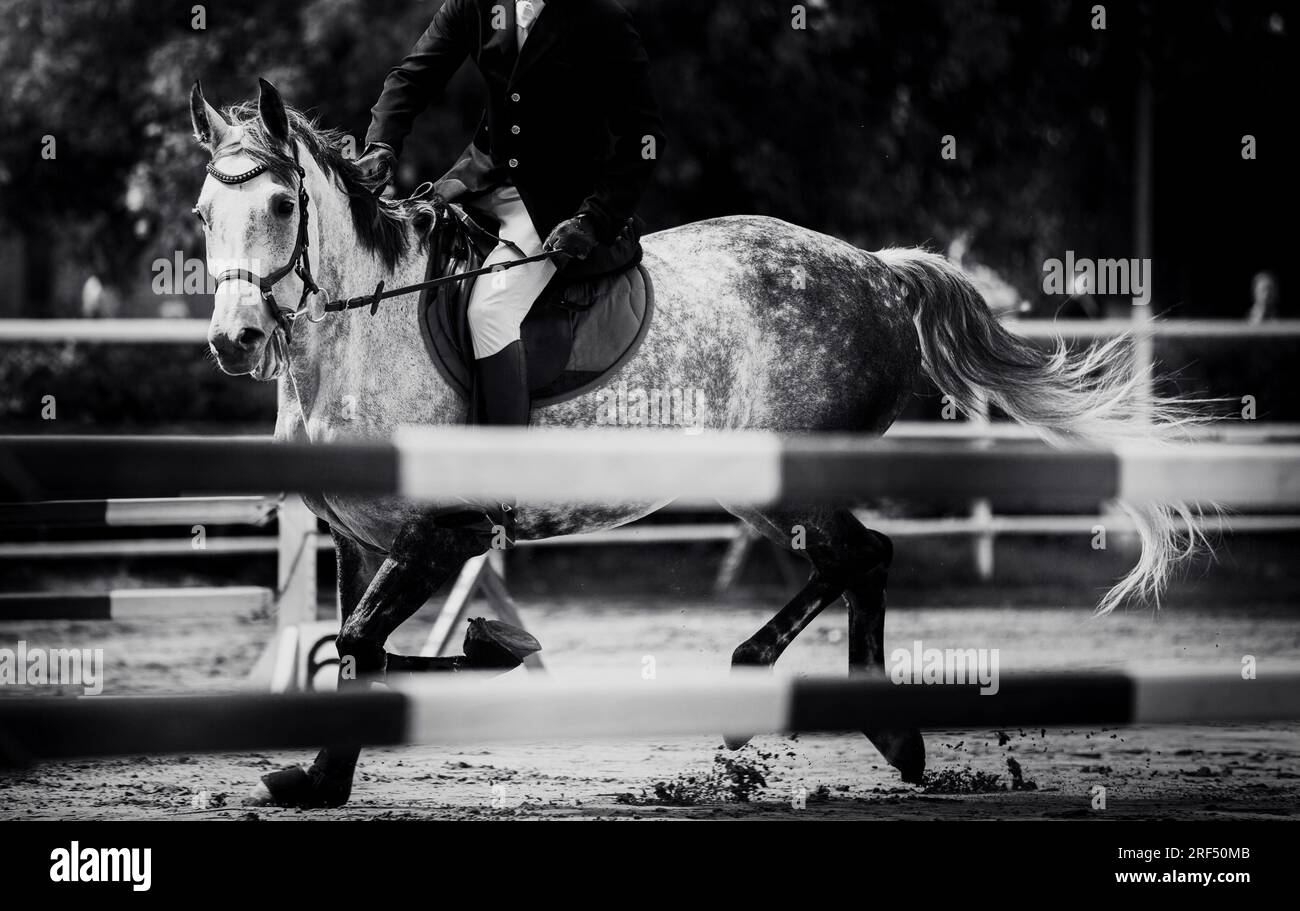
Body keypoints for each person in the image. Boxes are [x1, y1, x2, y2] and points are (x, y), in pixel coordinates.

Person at [356, 0, 665, 430]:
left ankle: (502, 476)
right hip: (480, 181)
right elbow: (413, 76)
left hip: (557, 204)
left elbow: (644, 136)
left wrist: (595, 218)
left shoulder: (600, 18)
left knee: (492, 310)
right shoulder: (474, 6)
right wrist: (382, 144)